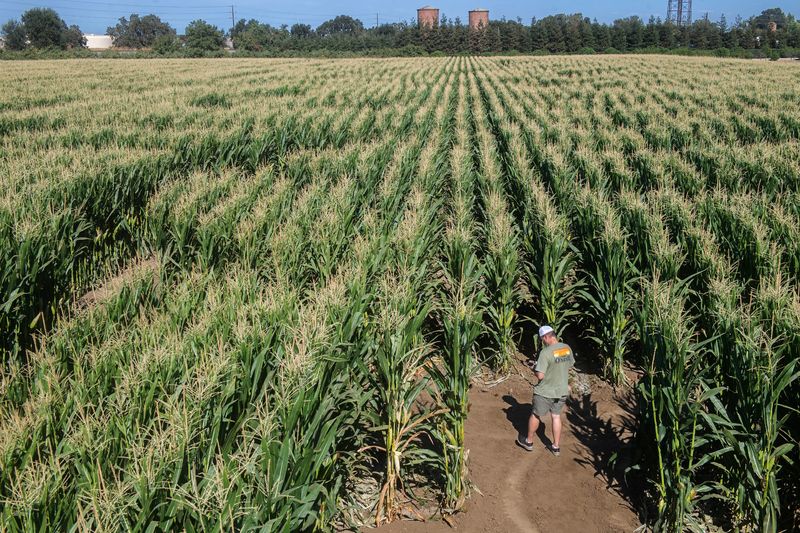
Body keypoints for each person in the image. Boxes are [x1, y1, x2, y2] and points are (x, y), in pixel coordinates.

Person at [516, 325, 574, 456]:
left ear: (547, 337)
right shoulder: (566, 348)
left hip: (546, 391)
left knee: (536, 414)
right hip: (562, 390)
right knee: (556, 416)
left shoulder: (545, 352)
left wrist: (535, 368)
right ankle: (555, 446)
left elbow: (540, 375)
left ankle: (529, 441)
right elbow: (568, 366)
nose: (543, 342)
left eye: (543, 339)